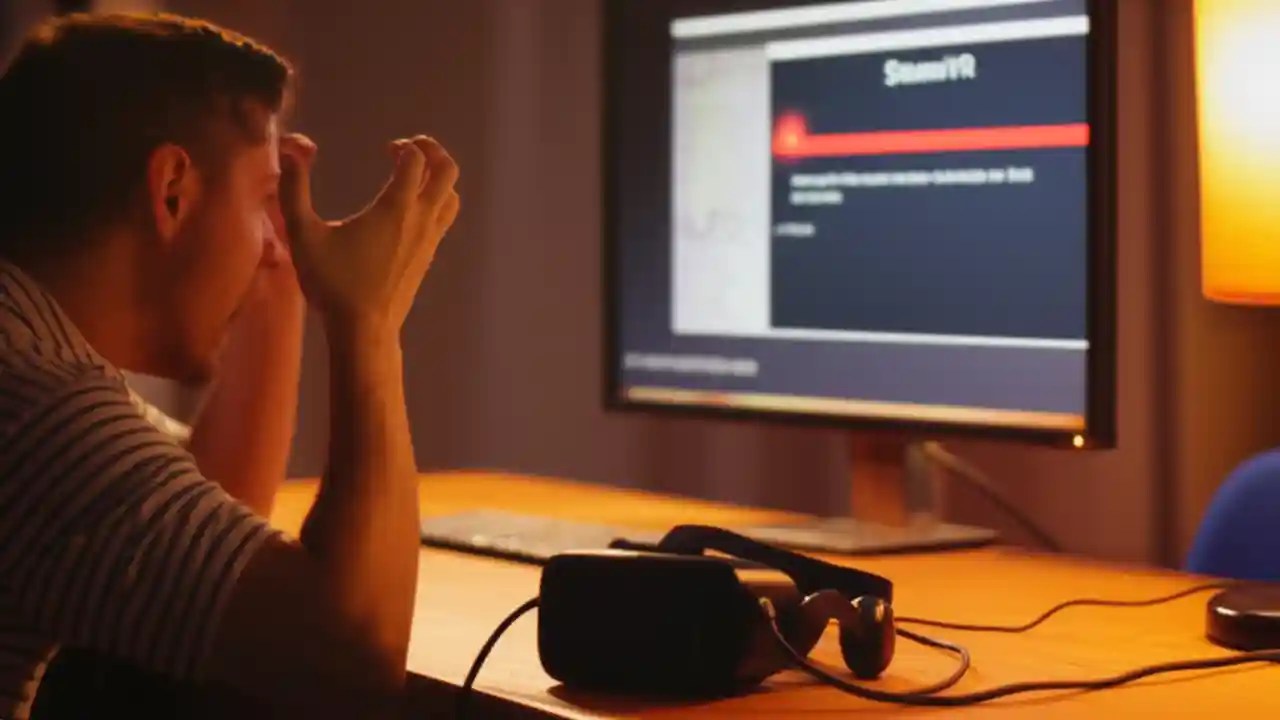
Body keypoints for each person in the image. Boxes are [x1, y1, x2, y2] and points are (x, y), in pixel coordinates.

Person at [0, 11, 459, 719]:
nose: (276, 245)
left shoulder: (25, 355)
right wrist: (368, 323)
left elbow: (203, 570)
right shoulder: (34, 407)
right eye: (264, 201)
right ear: (172, 191)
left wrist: (277, 285)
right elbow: (350, 663)